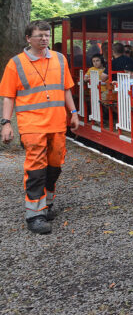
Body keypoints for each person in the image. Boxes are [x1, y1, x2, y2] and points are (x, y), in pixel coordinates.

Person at [0, 20, 79, 234]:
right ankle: (35, 215)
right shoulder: (15, 64)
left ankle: (47, 203)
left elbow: (65, 90)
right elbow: (8, 97)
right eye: (39, 36)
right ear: (28, 39)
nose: (44, 39)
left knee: (54, 166)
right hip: (32, 124)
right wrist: (6, 123)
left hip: (57, 123)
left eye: (46, 35)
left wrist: (73, 112)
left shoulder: (60, 59)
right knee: (36, 168)